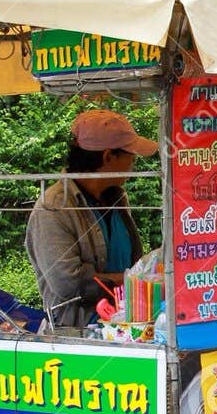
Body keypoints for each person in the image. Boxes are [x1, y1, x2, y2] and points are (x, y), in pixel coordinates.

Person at [26, 109, 158, 328]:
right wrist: (137, 280)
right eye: (130, 155)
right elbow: (69, 284)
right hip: (81, 333)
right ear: (108, 157)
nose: (133, 163)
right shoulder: (53, 208)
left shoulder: (116, 198)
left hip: (127, 326)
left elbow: (133, 260)